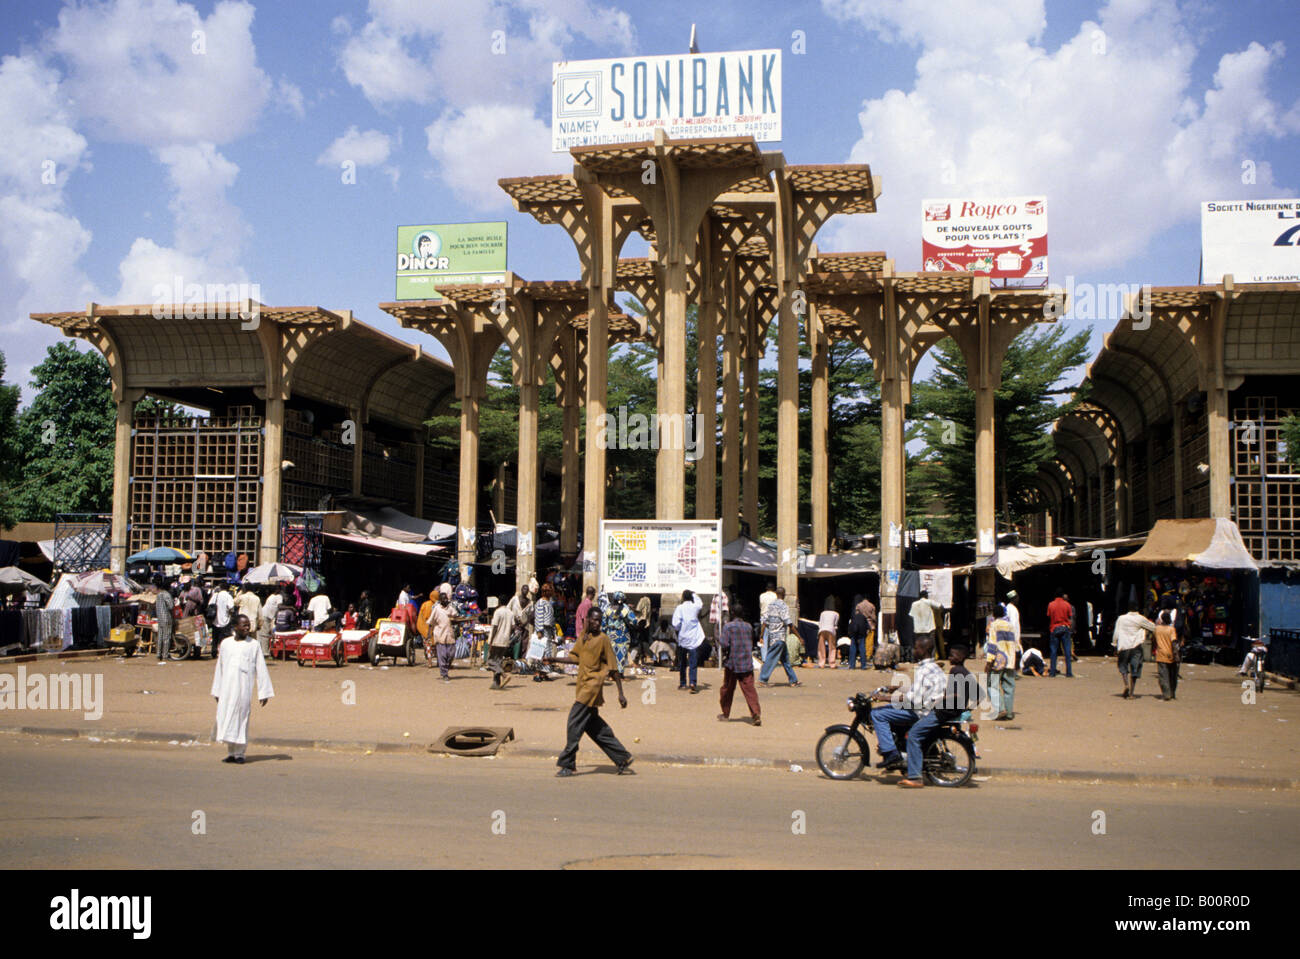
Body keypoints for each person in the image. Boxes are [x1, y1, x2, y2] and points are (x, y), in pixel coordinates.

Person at [546, 609, 633, 777]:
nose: (597, 623)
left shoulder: (603, 640)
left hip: (591, 688)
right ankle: (622, 757)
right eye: (593, 620)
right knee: (596, 729)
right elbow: (575, 658)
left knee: (574, 724)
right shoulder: (584, 637)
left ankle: (567, 764)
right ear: (587, 620)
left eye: (599, 621)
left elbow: (614, 668)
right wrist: (554, 659)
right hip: (583, 685)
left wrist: (620, 693)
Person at [868, 635, 947, 788]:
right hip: (928, 707)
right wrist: (897, 688)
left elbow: (912, 700)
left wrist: (885, 698)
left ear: (924, 650)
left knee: (877, 714)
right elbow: (919, 691)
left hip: (920, 711)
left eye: (917, 648)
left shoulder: (924, 670)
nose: (914, 650)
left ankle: (891, 753)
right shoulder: (934, 667)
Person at [210, 615, 273, 764]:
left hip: (244, 688)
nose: (247, 628)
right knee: (227, 717)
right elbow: (220, 667)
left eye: (248, 625)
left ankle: (240, 754)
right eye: (243, 625)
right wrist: (217, 690)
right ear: (235, 626)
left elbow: (261, 669)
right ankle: (231, 752)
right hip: (227, 689)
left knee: (242, 719)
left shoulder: (254, 645)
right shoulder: (226, 644)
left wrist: (263, 692)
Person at [717, 605, 761, 726]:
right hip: (746, 663)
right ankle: (756, 714)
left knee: (727, 689)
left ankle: (725, 713)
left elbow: (724, 644)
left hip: (733, 663)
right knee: (750, 689)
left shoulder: (728, 627)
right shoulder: (748, 626)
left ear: (732, 613)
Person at [757, 586, 800, 687]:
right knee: (770, 659)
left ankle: (793, 680)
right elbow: (788, 622)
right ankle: (762, 679)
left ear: (776, 594)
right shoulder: (783, 606)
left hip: (773, 637)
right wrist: (799, 636)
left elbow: (764, 622)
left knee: (785, 660)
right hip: (779, 637)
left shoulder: (771, 605)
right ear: (784, 595)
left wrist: (761, 635)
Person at [985, 603, 1021, 720]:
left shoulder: (994, 626)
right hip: (1010, 660)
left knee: (992, 685)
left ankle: (1001, 708)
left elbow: (992, 645)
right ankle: (1009, 713)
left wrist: (989, 662)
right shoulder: (1010, 626)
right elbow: (1015, 644)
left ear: (994, 615)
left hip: (998, 661)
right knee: (1009, 687)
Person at [1113, 602, 1157, 699]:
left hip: (1123, 646)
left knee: (1123, 667)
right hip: (1136, 646)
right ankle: (1132, 693)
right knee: (1135, 669)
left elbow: (1116, 633)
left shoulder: (1121, 618)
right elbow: (1153, 627)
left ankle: (1126, 684)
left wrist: (1115, 645)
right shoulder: (1140, 618)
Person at [672, 589, 705, 692]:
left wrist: (680, 628)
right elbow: (700, 603)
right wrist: (694, 593)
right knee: (693, 663)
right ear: (691, 598)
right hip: (694, 639)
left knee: (682, 663)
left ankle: (682, 683)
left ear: (682, 598)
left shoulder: (680, 608)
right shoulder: (695, 607)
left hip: (683, 639)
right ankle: (692, 683)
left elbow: (675, 624)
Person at [603, 591, 637, 672]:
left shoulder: (607, 609)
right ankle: (620, 674)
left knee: (611, 655)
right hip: (623, 636)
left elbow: (603, 623)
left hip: (611, 635)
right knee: (621, 655)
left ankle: (611, 674)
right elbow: (634, 621)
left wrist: (604, 633)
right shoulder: (626, 609)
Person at [426, 589, 455, 682]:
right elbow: (430, 622)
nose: (446, 600)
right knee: (442, 655)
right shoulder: (436, 609)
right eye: (444, 599)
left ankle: (447, 666)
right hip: (439, 635)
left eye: (446, 598)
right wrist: (428, 635)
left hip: (449, 635)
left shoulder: (450, 608)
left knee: (451, 654)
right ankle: (444, 673)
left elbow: (455, 616)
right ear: (440, 600)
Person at [1153, 609, 1181, 701]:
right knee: (1172, 675)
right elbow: (1174, 643)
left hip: (1161, 654)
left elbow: (1154, 641)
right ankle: (1172, 693)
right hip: (1171, 654)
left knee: (1163, 676)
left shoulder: (1157, 629)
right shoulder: (1171, 629)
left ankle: (1166, 694)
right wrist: (1176, 655)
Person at [487, 596, 515, 689]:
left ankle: (504, 675)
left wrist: (491, 640)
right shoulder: (510, 613)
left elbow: (494, 627)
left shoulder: (498, 612)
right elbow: (513, 627)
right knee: (498, 661)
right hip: (505, 640)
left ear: (499, 602)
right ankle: (496, 683)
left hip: (497, 640)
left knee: (490, 661)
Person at [1046, 588, 1074, 677]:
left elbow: (1049, 616)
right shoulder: (1067, 605)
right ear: (1062, 596)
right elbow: (1070, 616)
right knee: (1067, 652)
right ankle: (1069, 672)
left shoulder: (1051, 604)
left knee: (1053, 651)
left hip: (1054, 628)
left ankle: (1052, 672)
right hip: (1065, 628)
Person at [909, 590, 941, 663]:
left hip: (918, 628)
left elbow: (911, 615)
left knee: (918, 644)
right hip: (930, 628)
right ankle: (931, 658)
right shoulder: (929, 602)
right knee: (931, 644)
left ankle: (916, 659)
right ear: (926, 596)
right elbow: (939, 606)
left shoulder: (914, 604)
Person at [506, 583, 533, 660]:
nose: (525, 591)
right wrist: (512, 622)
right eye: (524, 589)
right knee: (514, 642)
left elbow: (531, 615)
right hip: (515, 625)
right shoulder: (515, 599)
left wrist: (525, 623)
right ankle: (513, 658)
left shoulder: (530, 603)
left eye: (527, 590)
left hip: (525, 626)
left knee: (524, 643)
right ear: (521, 590)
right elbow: (508, 609)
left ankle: (522, 660)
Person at [846, 596, 870, 670]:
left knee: (853, 648)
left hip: (854, 633)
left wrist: (850, 634)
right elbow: (867, 626)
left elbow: (850, 625)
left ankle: (852, 665)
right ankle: (863, 666)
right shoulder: (863, 617)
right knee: (862, 648)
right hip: (862, 634)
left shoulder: (854, 617)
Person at [153, 578, 174, 662]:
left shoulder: (158, 595)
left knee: (160, 637)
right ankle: (165, 655)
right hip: (166, 618)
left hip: (160, 618)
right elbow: (171, 606)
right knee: (166, 637)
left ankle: (158, 654)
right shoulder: (166, 595)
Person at [817, 597, 839, 668]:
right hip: (831, 630)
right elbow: (835, 625)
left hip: (822, 630)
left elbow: (820, 623)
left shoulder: (822, 613)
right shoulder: (836, 614)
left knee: (821, 647)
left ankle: (821, 663)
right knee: (832, 647)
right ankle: (832, 664)